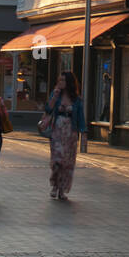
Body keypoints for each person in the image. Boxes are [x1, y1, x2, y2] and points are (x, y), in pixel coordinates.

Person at [43, 71, 86, 201]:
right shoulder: (55, 94)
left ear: (69, 83)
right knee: (57, 161)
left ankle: (62, 190)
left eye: (63, 80)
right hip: (57, 131)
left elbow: (80, 117)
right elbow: (48, 110)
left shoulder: (76, 100)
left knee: (67, 163)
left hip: (70, 133)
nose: (60, 83)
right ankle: (55, 185)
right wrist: (55, 96)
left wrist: (83, 133)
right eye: (59, 80)